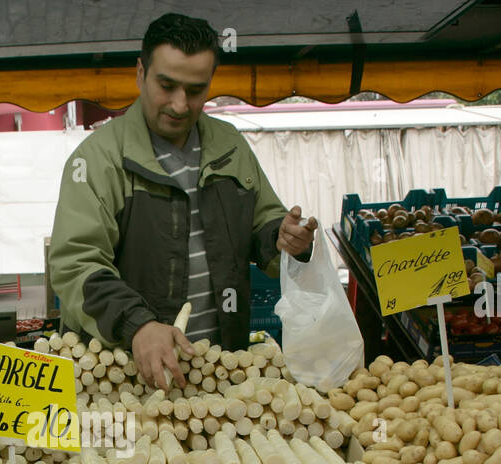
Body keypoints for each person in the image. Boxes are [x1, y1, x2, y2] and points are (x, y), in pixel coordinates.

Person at [49, 13, 316, 388]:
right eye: (167, 85)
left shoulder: (231, 146)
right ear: (140, 73)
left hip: (219, 370)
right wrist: (137, 324)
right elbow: (75, 265)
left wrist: (284, 239)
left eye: (195, 90)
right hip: (126, 376)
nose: (179, 104)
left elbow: (264, 225)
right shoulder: (97, 160)